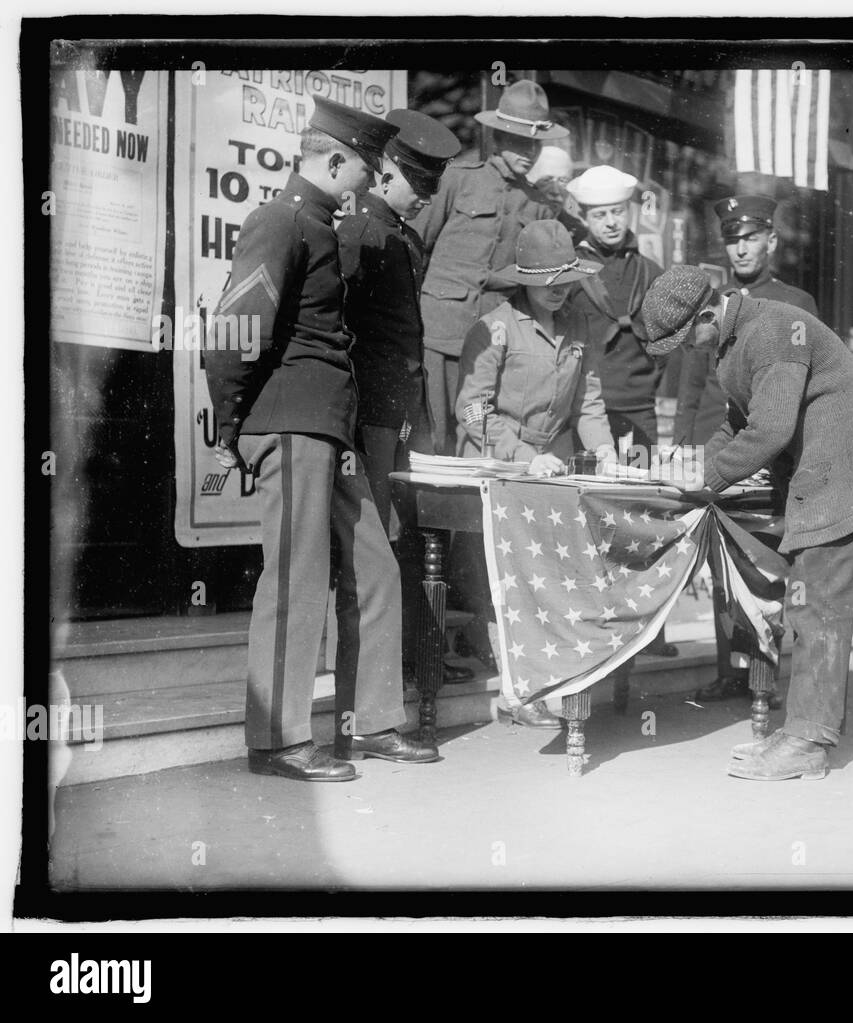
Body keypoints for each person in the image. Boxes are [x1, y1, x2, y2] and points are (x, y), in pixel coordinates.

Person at [204, 96, 437, 782]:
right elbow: (235, 331)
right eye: (366, 167)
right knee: (297, 578)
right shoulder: (280, 220)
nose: (372, 179)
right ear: (335, 162)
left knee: (375, 566)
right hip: (293, 423)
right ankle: (277, 739)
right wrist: (229, 423)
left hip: (330, 428)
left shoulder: (319, 226)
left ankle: (372, 722)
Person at [641, 267, 853, 781]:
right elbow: (738, 423)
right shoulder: (734, 341)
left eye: (685, 340)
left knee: (819, 606)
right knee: (808, 603)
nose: (687, 352)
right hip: (821, 467)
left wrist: (709, 480)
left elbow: (770, 429)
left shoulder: (772, 331)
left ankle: (808, 744)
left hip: (843, 469)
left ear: (707, 316)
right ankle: (802, 728)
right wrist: (696, 470)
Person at [453, 219, 617, 726]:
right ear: (524, 281)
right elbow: (472, 410)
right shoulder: (494, 327)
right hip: (497, 464)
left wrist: (605, 450)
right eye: (547, 282)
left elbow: (588, 402)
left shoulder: (579, 325)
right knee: (514, 578)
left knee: (556, 575)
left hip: (551, 468)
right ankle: (519, 692)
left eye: (566, 279)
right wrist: (523, 455)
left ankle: (553, 681)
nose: (558, 290)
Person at [336, 107, 472, 686]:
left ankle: (416, 660)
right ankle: (382, 672)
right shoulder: (359, 233)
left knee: (411, 537)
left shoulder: (401, 237)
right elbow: (344, 332)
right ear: (386, 171)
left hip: (403, 416)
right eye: (418, 184)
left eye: (432, 186)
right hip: (373, 416)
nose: (425, 198)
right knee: (377, 544)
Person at [677, 194, 819, 703]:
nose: (739, 249)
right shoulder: (710, 304)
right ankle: (732, 670)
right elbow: (693, 384)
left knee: (766, 562)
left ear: (771, 241)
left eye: (750, 238)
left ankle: (765, 675)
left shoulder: (795, 303)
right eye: (732, 240)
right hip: (720, 444)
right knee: (723, 561)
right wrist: (685, 446)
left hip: (770, 451)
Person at [411, 80, 567, 455]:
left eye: (536, 144)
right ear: (498, 137)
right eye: (520, 141)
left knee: (479, 439)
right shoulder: (457, 179)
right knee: (432, 438)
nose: (529, 152)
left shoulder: (539, 205)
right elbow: (415, 249)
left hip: (493, 345)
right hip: (440, 334)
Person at [564, 165, 677, 658]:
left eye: (616, 212)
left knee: (643, 517)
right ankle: (592, 626)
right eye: (599, 215)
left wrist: (649, 384)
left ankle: (649, 631)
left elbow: (666, 339)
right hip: (585, 414)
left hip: (639, 412)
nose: (610, 223)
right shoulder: (571, 269)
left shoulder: (650, 271)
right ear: (583, 217)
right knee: (588, 517)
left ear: (629, 211)